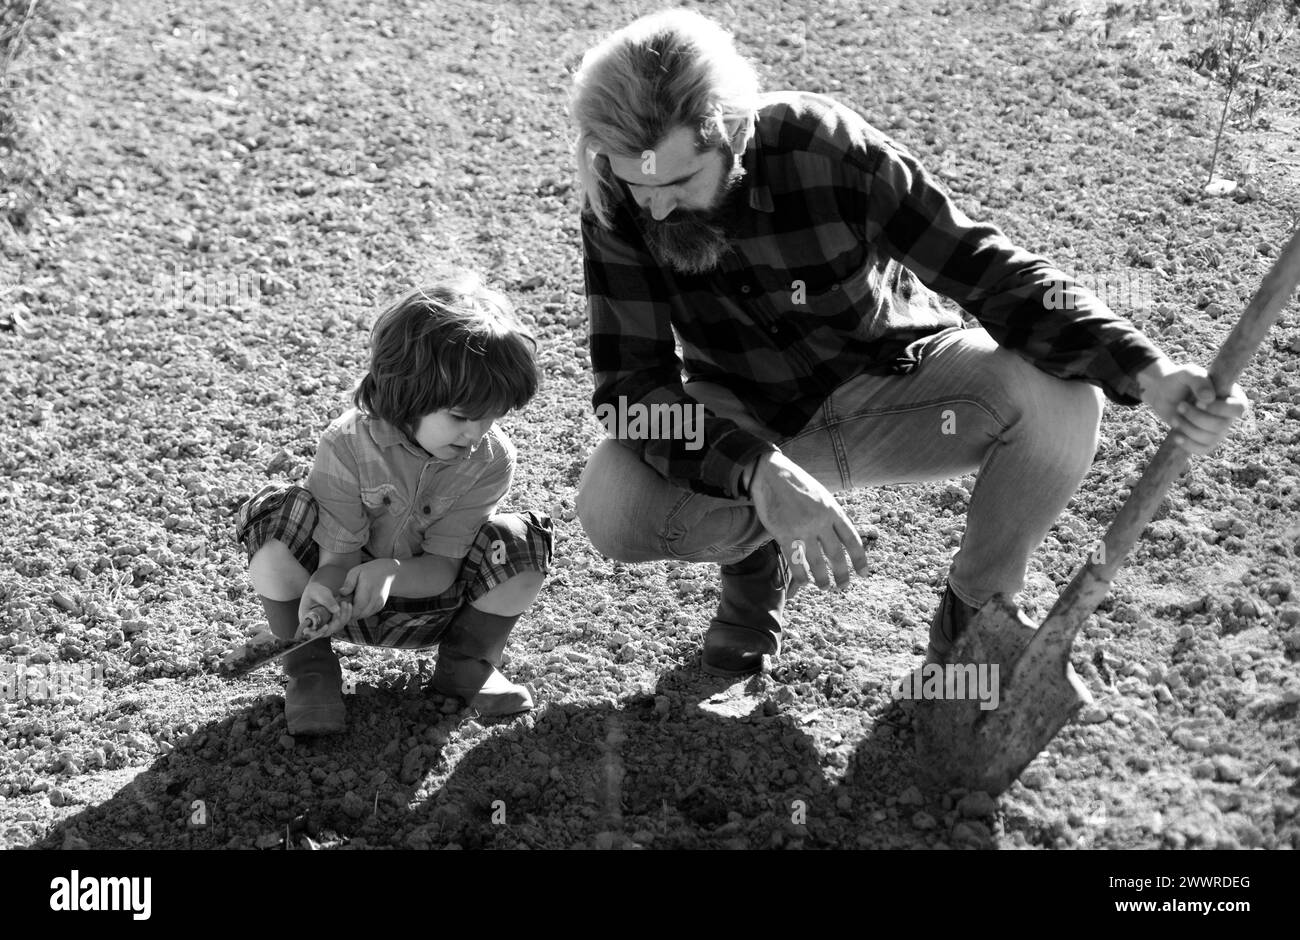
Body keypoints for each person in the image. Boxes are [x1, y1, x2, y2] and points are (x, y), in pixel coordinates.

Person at [569, 9, 1246, 677]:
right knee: (613, 504)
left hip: (896, 383)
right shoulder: (622, 195)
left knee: (1060, 403)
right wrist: (755, 471)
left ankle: (973, 624)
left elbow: (989, 268)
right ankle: (756, 557)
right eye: (639, 186)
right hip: (747, 415)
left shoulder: (823, 147)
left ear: (733, 131)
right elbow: (632, 389)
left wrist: (1148, 371)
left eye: (680, 183)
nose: (654, 208)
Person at [234, 274, 552, 734]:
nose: (476, 434)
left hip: (435, 608)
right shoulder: (347, 443)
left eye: (490, 418)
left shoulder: (490, 459)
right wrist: (325, 594)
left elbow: (444, 565)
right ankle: (309, 672)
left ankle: (466, 671)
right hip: (343, 610)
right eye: (461, 417)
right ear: (408, 395)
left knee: (521, 545)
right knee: (278, 516)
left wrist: (391, 573)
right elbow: (337, 557)